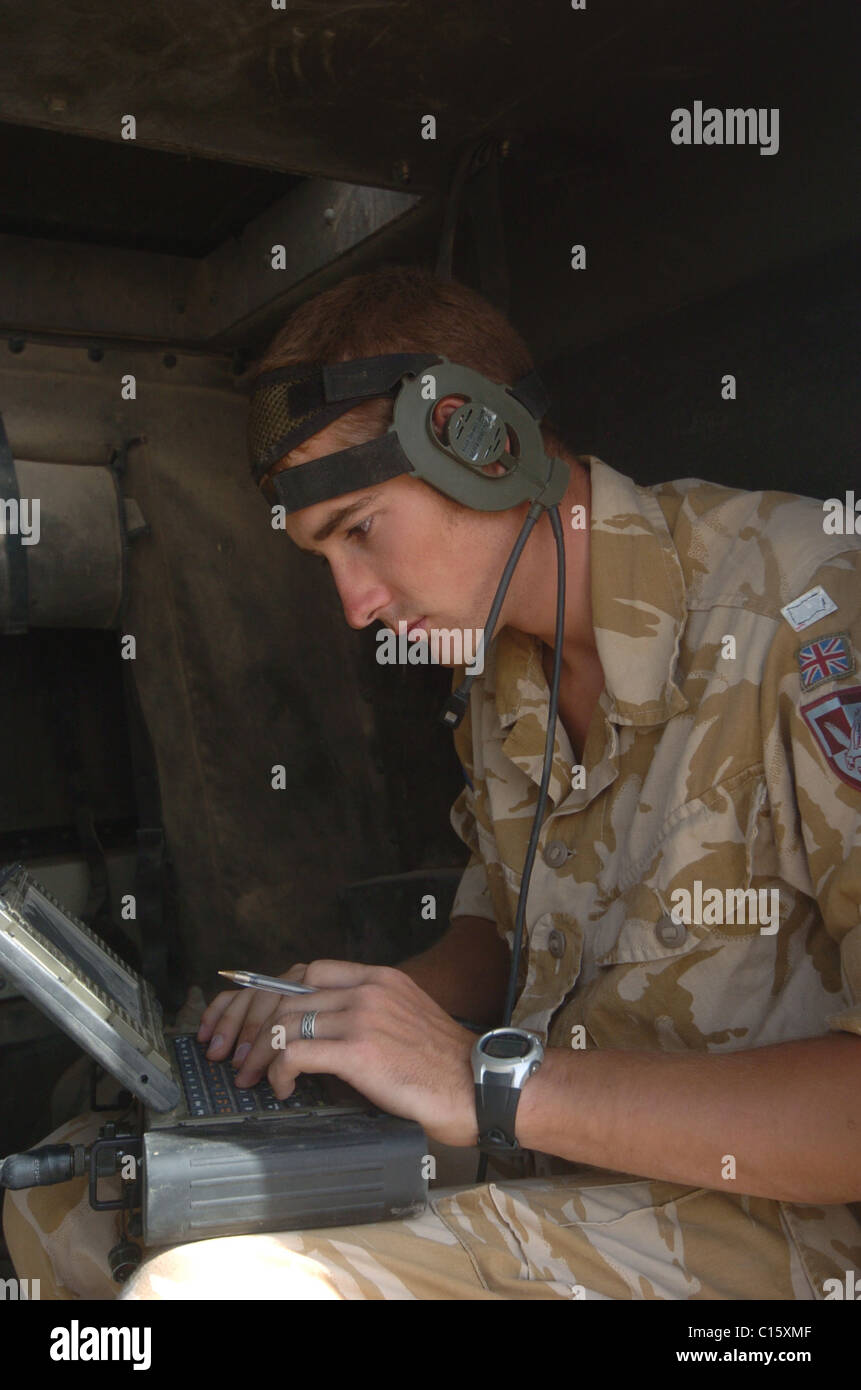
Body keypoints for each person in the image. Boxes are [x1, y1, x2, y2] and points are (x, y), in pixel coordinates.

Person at [5, 263, 860, 1300]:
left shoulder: (809, 613)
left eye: (361, 530)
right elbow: (505, 929)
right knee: (73, 1202)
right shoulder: (497, 671)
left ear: (482, 444)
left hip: (779, 1226)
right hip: (560, 1157)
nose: (355, 606)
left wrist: (486, 1082)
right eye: (325, 557)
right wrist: (368, 1014)